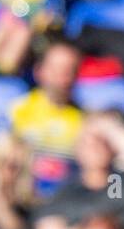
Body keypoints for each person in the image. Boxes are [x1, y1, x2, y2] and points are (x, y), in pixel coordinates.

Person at [10, 38, 84, 201]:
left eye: (70, 70)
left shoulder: (85, 120)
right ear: (39, 71)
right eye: (56, 69)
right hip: (22, 194)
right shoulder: (18, 110)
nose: (63, 77)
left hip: (67, 199)